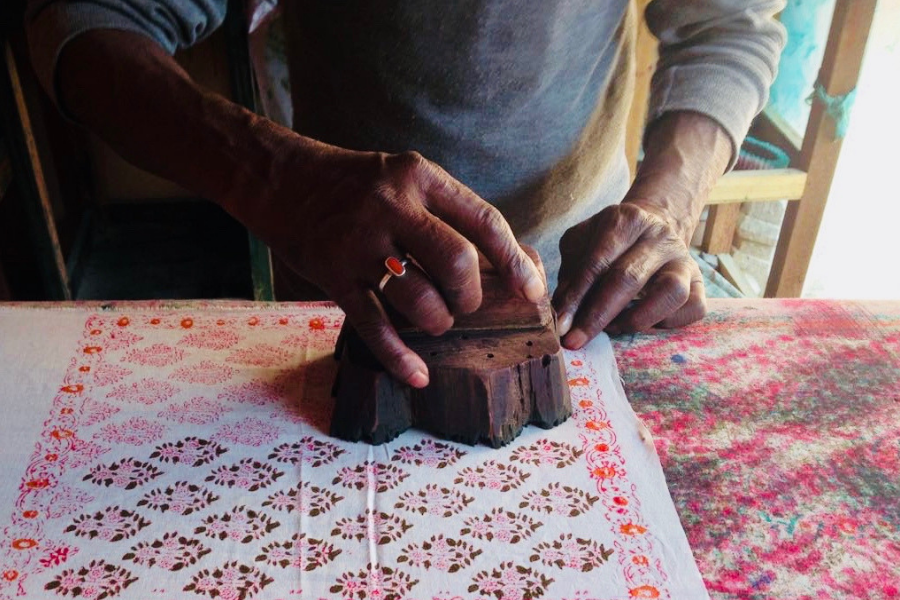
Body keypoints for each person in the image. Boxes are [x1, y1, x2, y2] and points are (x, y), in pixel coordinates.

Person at [25, 0, 785, 387]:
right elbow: (82, 23)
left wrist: (667, 205)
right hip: (349, 279)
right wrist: (278, 179)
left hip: (586, 292)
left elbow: (729, 27)